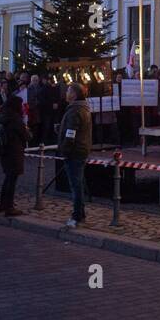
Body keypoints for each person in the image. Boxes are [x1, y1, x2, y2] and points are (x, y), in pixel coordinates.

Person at [57, 82, 92, 227]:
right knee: (78, 183)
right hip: (81, 149)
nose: (66, 93)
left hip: (74, 151)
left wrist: (65, 149)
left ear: (74, 94)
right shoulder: (83, 108)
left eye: (68, 91)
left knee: (75, 185)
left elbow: (71, 132)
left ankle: (77, 215)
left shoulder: (75, 111)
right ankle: (80, 213)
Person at [0, 92, 29, 216]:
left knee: (8, 178)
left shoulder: (4, 116)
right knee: (12, 179)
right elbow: (26, 136)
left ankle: (3, 204)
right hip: (14, 151)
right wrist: (26, 130)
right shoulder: (15, 119)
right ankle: (9, 207)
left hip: (5, 150)